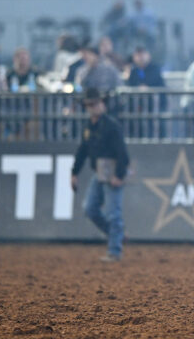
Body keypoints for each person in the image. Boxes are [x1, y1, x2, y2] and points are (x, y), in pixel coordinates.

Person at [71, 89, 129, 262]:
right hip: (100, 172)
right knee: (90, 209)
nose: (93, 107)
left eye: (96, 104)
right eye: (90, 105)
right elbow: (82, 151)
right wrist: (74, 172)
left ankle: (114, 250)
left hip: (111, 171)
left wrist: (119, 175)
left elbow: (122, 153)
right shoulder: (89, 127)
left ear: (102, 104)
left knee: (112, 212)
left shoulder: (111, 126)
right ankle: (116, 235)